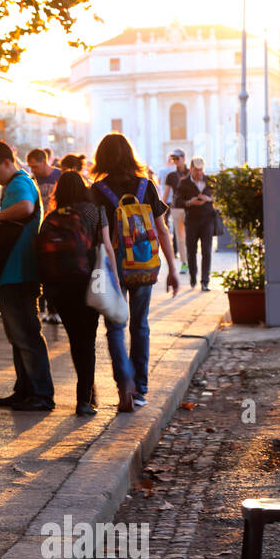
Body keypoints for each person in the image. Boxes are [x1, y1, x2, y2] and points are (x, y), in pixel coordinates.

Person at [90, 132, 180, 412]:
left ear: (101, 158)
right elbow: (162, 230)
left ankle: (124, 385)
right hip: (143, 263)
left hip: (113, 265)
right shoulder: (146, 186)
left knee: (115, 327)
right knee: (140, 325)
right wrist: (173, 269)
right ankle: (140, 390)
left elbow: (95, 235)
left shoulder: (97, 190)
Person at [0, 142, 55, 411]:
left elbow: (24, 207)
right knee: (17, 336)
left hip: (20, 272)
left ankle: (41, 394)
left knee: (26, 335)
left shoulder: (20, 182)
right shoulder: (14, 183)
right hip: (11, 273)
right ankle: (24, 389)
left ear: (6, 162)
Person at [41, 172, 117, 416]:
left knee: (76, 339)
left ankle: (86, 392)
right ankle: (84, 398)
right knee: (88, 340)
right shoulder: (96, 211)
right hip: (89, 281)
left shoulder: (52, 216)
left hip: (60, 287)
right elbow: (106, 245)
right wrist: (114, 277)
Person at [27, 148, 62, 325]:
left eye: (35, 166)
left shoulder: (60, 176)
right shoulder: (32, 181)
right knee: (45, 272)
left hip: (58, 230)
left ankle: (56, 309)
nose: (33, 170)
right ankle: (48, 309)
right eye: (31, 167)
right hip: (40, 230)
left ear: (44, 161)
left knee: (57, 271)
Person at [177, 157, 217, 291]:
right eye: (196, 170)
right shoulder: (183, 183)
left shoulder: (210, 181)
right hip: (192, 220)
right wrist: (190, 202)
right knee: (191, 250)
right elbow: (177, 202)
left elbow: (218, 197)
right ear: (191, 169)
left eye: (201, 170)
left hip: (208, 220)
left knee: (207, 251)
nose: (199, 173)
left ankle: (205, 281)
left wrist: (209, 199)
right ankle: (193, 277)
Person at [162, 148, 190, 275]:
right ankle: (184, 263)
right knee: (180, 238)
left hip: (192, 209)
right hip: (177, 208)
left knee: (191, 237)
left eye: (178, 158)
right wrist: (161, 212)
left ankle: (191, 261)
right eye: (173, 159)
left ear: (184, 158)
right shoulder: (171, 175)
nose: (175, 161)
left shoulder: (192, 173)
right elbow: (166, 194)